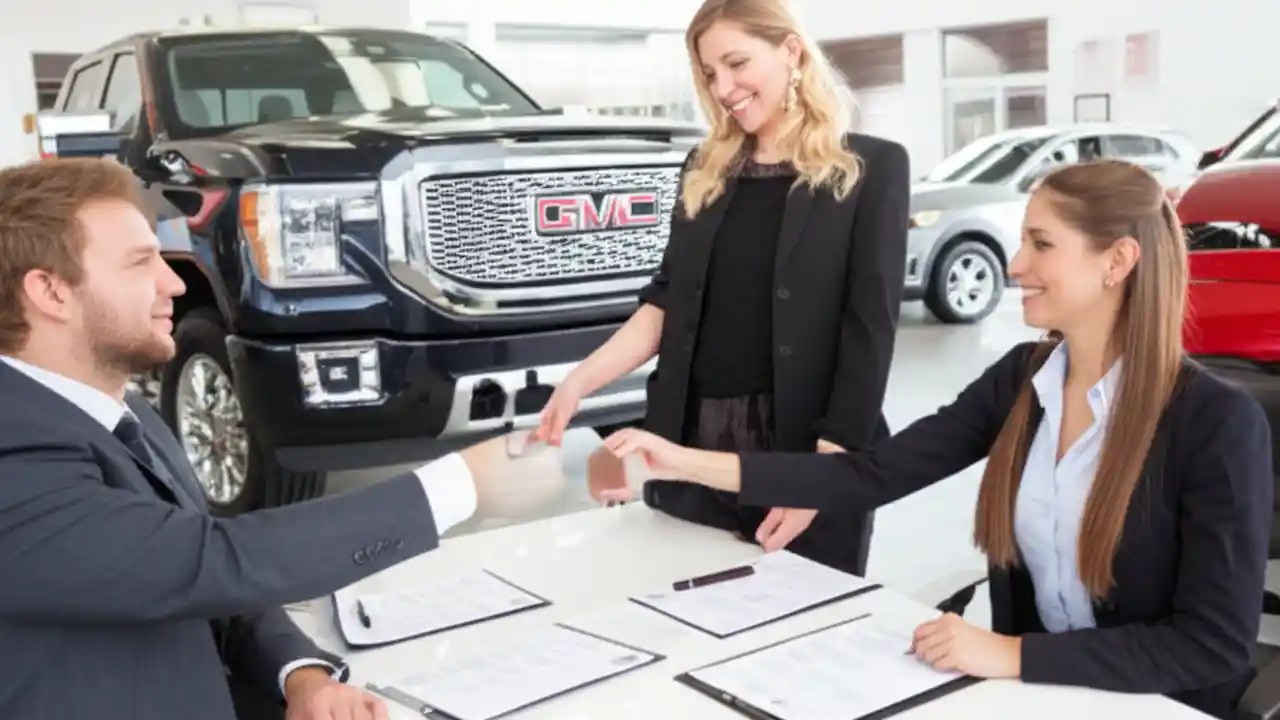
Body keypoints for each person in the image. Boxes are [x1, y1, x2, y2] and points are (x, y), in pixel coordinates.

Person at [600, 159, 1274, 719]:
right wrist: (686, 462)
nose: (1014, 265)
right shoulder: (1024, 379)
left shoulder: (1215, 423)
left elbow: (1211, 648)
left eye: (1041, 244)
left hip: (1155, 704)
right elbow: (871, 474)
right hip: (1035, 694)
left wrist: (1007, 654)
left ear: (1117, 261)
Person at [0, 158, 504, 720]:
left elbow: (201, 586)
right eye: (140, 264)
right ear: (50, 292)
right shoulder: (13, 452)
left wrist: (301, 677)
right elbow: (208, 561)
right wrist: (463, 485)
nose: (174, 282)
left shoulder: (122, 411)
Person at [534, 0, 910, 576]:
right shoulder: (703, 169)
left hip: (804, 449)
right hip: (690, 445)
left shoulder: (869, 168)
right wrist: (579, 383)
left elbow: (870, 333)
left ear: (791, 51)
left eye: (737, 63)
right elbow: (665, 302)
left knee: (797, 632)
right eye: (709, 73)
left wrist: (820, 479)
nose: (723, 88)